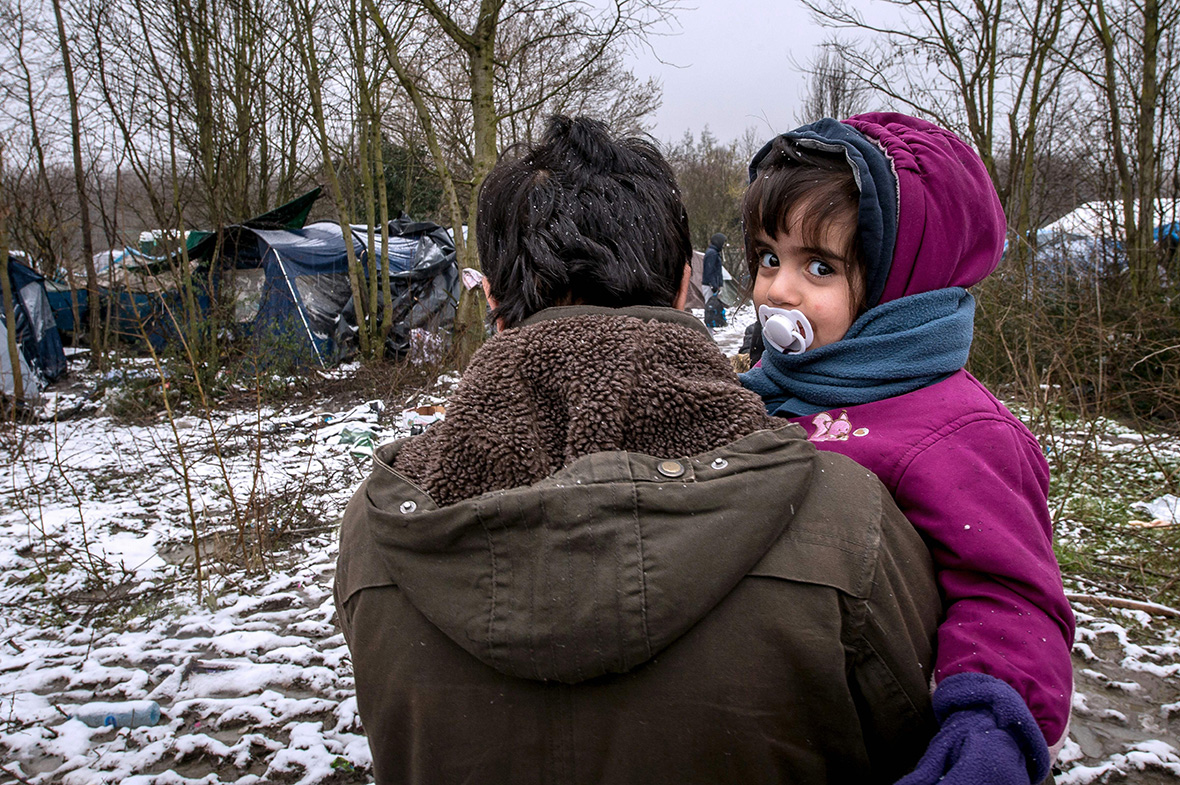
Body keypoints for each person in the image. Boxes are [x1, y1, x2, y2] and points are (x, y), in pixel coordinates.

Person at [335, 115, 943, 784]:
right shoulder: (849, 519)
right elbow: (925, 742)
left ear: (496, 304)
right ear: (685, 287)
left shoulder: (380, 528)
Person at [739, 112, 1075, 785]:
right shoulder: (762, 390)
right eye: (770, 256)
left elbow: (1009, 594)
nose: (778, 289)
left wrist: (988, 722)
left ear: (901, 284)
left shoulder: (961, 432)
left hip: (874, 742)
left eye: (820, 266)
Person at [702, 231, 726, 301]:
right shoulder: (712, 254)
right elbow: (709, 271)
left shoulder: (714, 253)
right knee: (710, 305)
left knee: (713, 304)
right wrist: (714, 286)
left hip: (712, 285)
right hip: (709, 285)